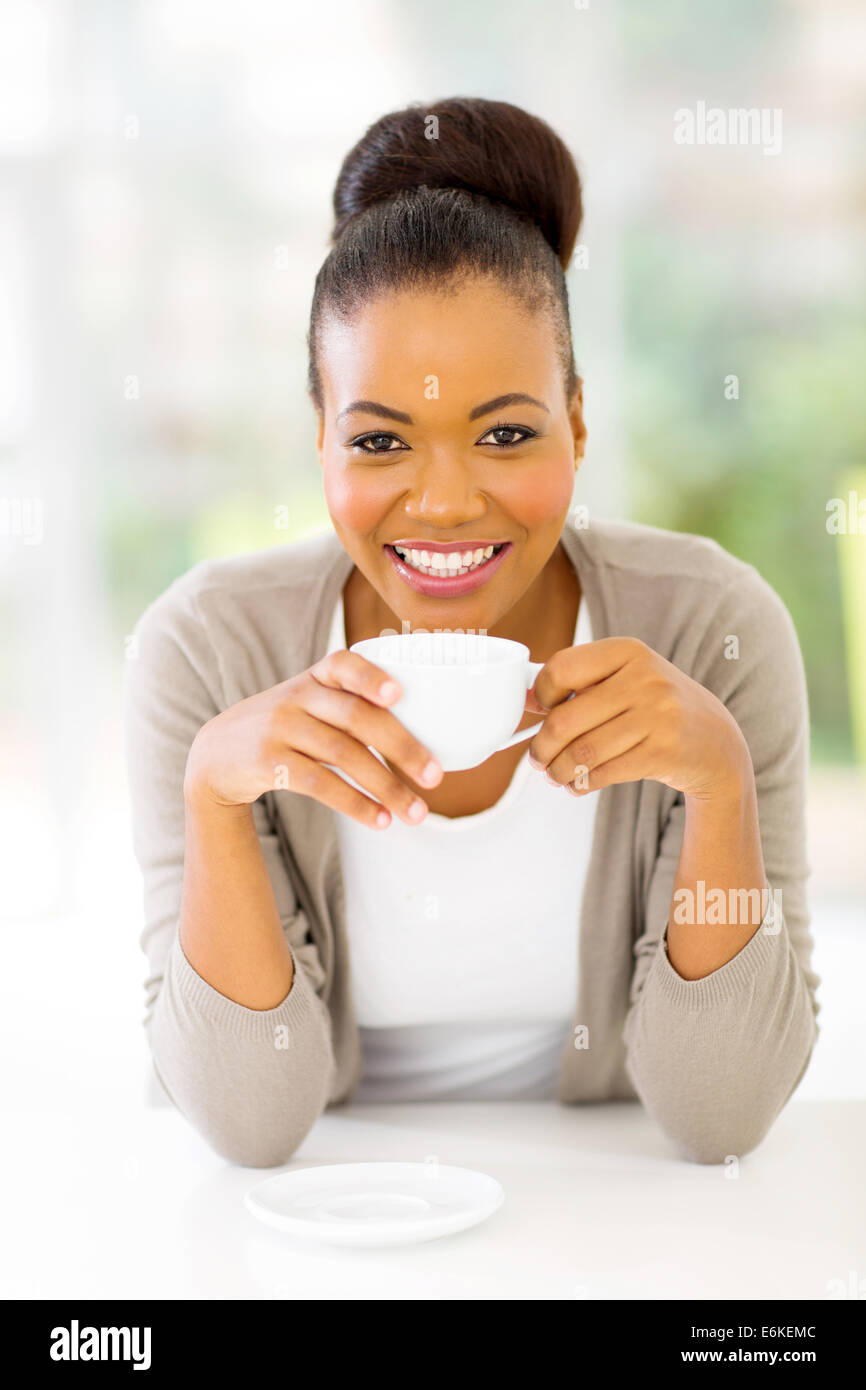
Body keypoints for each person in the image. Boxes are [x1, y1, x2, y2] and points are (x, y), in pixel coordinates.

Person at [124, 96, 819, 1168]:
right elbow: (247, 1126)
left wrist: (716, 776)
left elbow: (718, 1118)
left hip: (615, 1231)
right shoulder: (207, 652)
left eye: (504, 432)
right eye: (379, 441)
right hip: (332, 1228)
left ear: (577, 422)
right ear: (319, 439)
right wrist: (216, 794)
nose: (444, 504)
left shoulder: (714, 628)